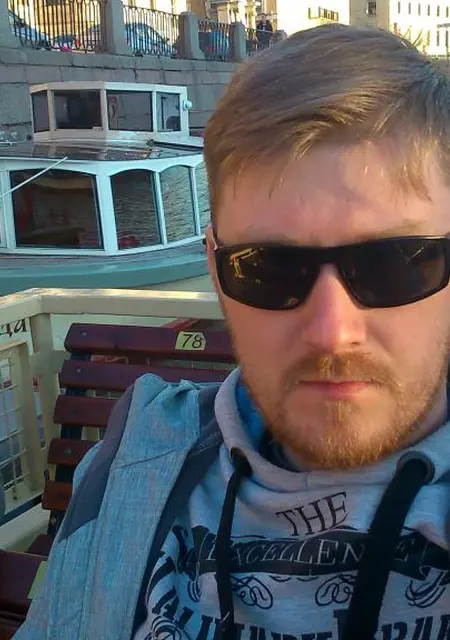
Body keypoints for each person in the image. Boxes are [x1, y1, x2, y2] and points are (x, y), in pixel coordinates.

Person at [14, 24, 450, 640]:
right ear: (216, 271)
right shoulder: (125, 471)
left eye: (395, 263)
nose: (333, 333)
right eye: (266, 267)